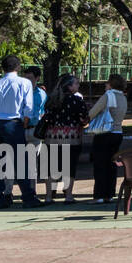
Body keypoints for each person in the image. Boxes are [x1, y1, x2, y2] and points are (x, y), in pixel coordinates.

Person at [0, 56, 43, 208]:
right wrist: (24, 123)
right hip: (14, 123)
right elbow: (28, 108)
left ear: (3, 68)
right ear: (18, 67)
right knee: (20, 163)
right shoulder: (24, 83)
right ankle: (28, 198)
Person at [41, 74, 87, 204]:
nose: (78, 85)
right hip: (71, 137)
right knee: (69, 167)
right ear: (69, 86)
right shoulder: (77, 101)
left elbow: (47, 116)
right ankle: (68, 195)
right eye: (76, 83)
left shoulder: (51, 100)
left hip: (51, 137)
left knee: (50, 167)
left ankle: (48, 196)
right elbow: (83, 118)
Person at [87, 73, 128, 204]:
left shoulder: (108, 95)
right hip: (117, 132)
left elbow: (93, 112)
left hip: (105, 133)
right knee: (111, 165)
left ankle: (99, 194)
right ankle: (109, 194)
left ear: (111, 84)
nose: (105, 84)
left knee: (100, 164)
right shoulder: (123, 97)